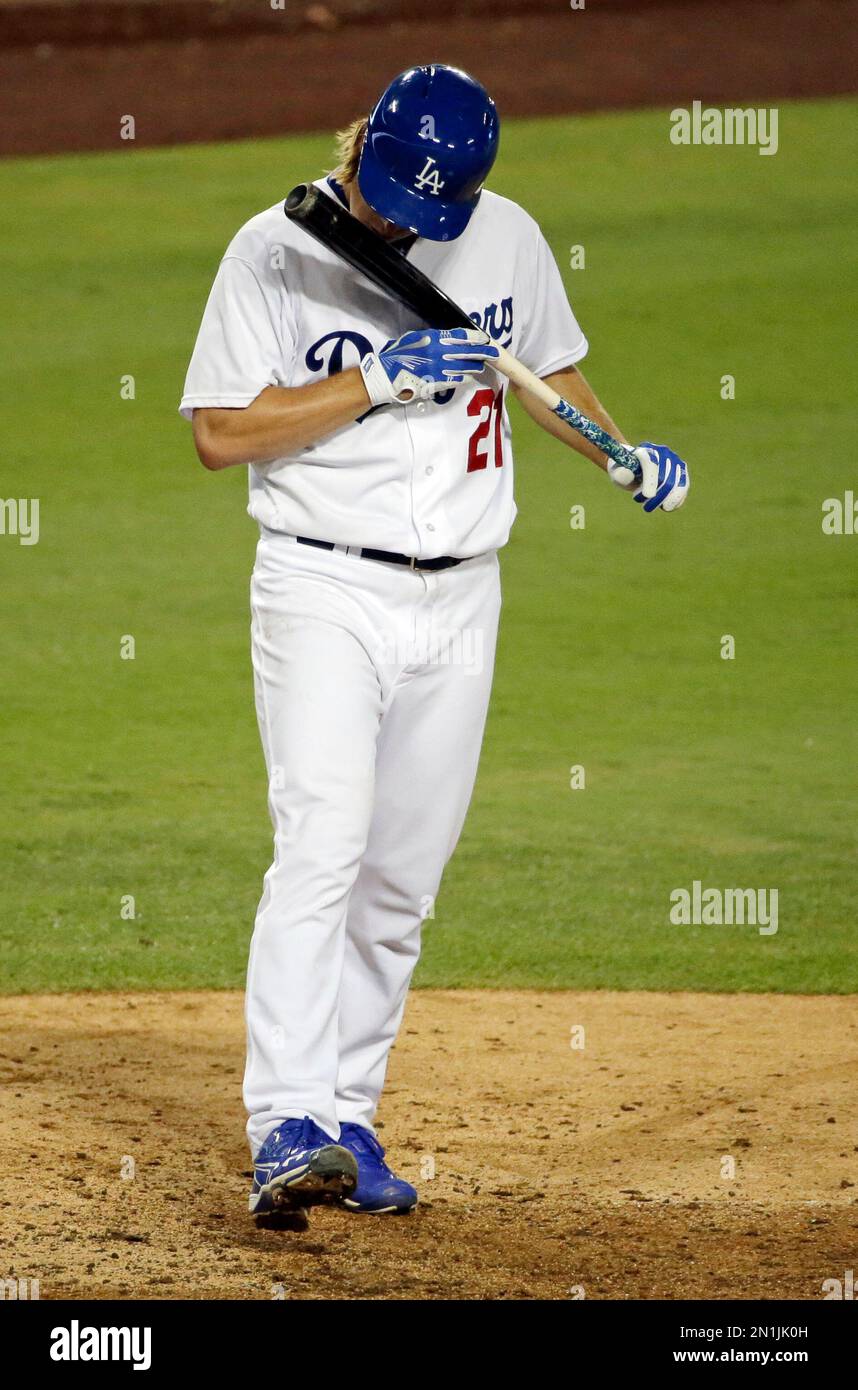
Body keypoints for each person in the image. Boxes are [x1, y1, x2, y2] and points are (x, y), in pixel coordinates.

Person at [179, 63, 689, 1221]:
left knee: (402, 875)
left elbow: (546, 371)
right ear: (363, 150)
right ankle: (285, 1123)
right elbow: (219, 433)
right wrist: (373, 382)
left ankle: (349, 1119)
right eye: (400, 201)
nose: (413, 227)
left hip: (463, 595)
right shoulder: (275, 247)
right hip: (323, 585)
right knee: (323, 842)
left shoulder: (504, 235)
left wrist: (622, 450)